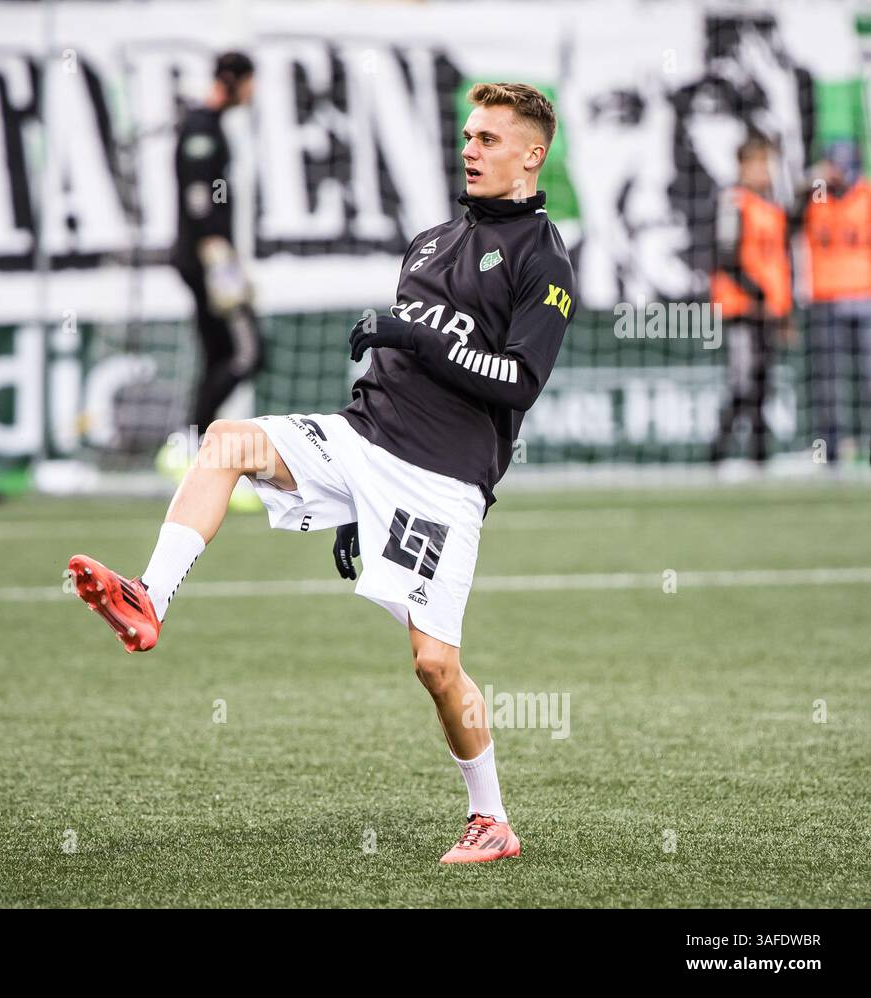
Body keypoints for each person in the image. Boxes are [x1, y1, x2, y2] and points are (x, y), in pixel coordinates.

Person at [70, 83, 575, 865]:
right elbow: (399, 374)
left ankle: (492, 820)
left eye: (488, 140)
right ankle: (148, 597)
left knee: (435, 665)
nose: (469, 150)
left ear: (531, 154)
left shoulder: (544, 259)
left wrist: (418, 336)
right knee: (226, 443)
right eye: (468, 136)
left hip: (441, 478)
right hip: (362, 435)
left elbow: (518, 383)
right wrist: (346, 502)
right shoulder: (432, 240)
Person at [172, 51, 263, 437]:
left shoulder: (209, 125)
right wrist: (221, 263)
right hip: (207, 260)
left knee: (217, 357)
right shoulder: (201, 129)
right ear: (233, 81)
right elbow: (199, 200)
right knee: (248, 353)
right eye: (249, 81)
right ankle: (191, 438)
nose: (253, 90)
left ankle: (195, 446)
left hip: (208, 258)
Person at [708, 132, 795, 465]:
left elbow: (778, 264)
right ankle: (717, 456)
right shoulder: (734, 202)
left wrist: (780, 309)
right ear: (743, 166)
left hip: (767, 309)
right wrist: (758, 294)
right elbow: (727, 256)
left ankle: (760, 459)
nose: (765, 171)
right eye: (759, 163)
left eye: (768, 163)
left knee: (761, 384)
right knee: (744, 382)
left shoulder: (772, 207)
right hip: (743, 309)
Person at [797, 141, 871, 465]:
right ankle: (827, 452)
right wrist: (812, 180)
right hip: (825, 297)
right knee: (827, 382)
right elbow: (791, 212)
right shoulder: (818, 194)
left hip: (865, 296)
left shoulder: (866, 195)